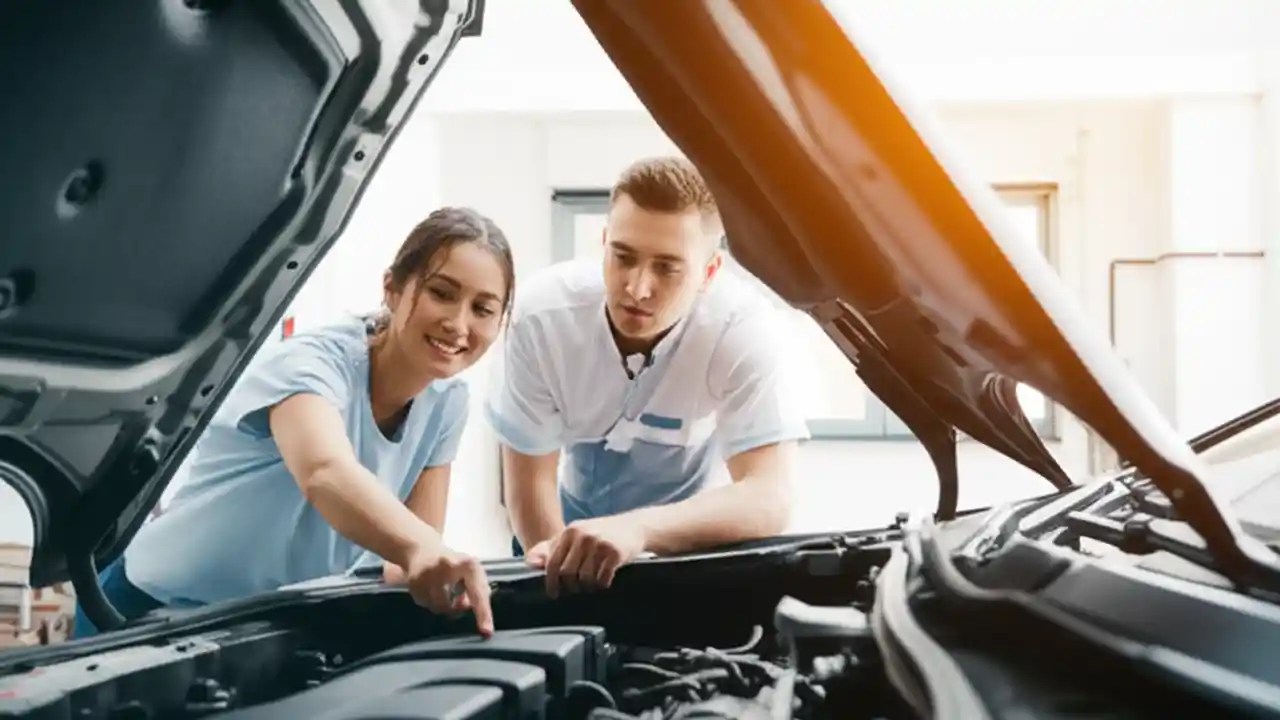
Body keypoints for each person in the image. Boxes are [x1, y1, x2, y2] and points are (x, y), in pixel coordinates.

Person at [73, 207, 514, 638]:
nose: (458, 323)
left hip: (266, 624)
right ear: (392, 288)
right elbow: (324, 471)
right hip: (147, 608)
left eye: (483, 308)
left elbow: (408, 559)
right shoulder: (309, 364)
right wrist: (421, 549)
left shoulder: (447, 403)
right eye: (442, 293)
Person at [487, 156, 809, 599]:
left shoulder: (744, 331)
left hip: (686, 550)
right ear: (604, 243)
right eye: (623, 257)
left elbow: (771, 496)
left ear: (709, 272)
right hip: (560, 534)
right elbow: (528, 484)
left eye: (667, 268)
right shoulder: (540, 317)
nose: (637, 288)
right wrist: (562, 576)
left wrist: (636, 530)